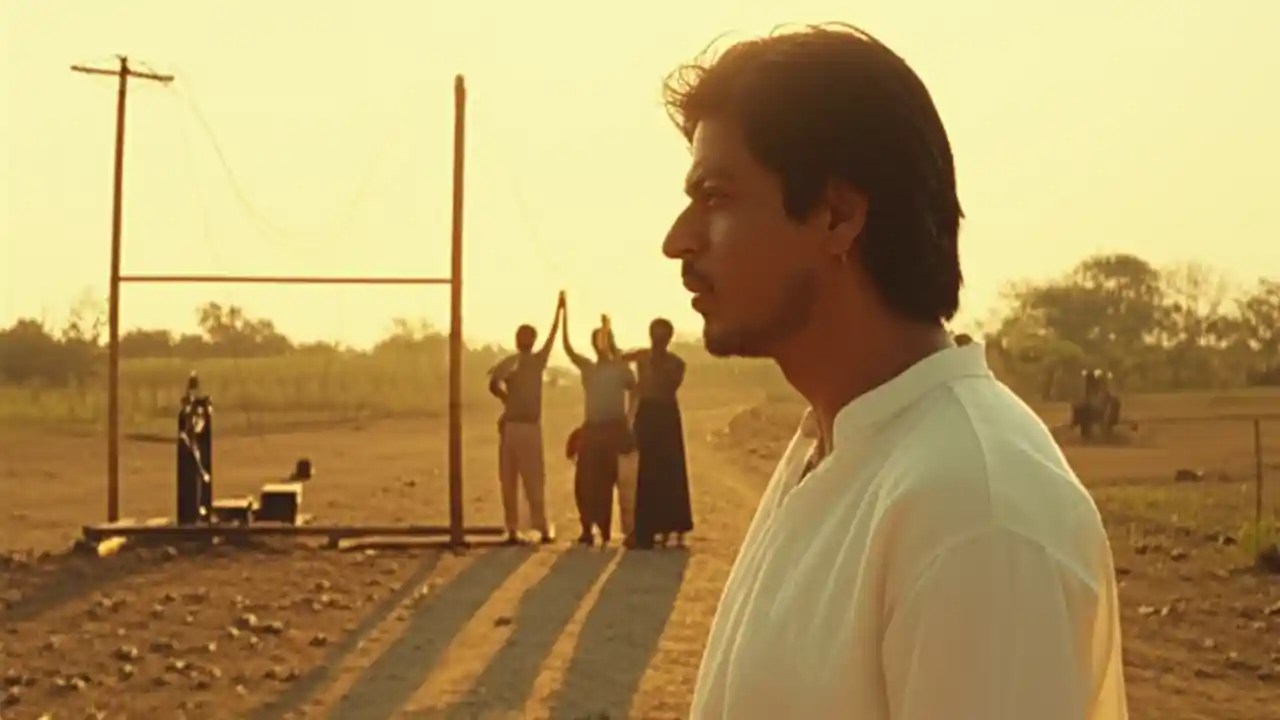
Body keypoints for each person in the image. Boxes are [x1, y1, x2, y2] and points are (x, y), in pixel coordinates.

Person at [660, 24, 1128, 720]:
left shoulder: (974, 509)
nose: (678, 240)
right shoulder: (838, 445)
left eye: (717, 196)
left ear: (838, 216)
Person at [487, 292, 564, 545]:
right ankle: (518, 528)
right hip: (519, 426)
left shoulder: (529, 362)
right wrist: (507, 400)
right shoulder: (518, 362)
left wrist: (559, 312)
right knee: (515, 478)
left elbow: (494, 383)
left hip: (523, 426)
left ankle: (534, 528)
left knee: (526, 479)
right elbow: (493, 383)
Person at [562, 300, 637, 547]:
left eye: (605, 340)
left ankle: (603, 530)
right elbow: (568, 348)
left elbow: (635, 387)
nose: (601, 344)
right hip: (593, 429)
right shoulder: (588, 368)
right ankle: (587, 528)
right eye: (598, 340)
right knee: (584, 482)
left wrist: (629, 418)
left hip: (611, 428)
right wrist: (563, 313)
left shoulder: (619, 368)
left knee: (605, 482)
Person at [621, 318, 693, 549]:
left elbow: (667, 385)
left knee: (670, 470)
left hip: (665, 415)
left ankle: (671, 527)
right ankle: (648, 529)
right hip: (649, 415)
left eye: (662, 335)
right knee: (648, 472)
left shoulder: (675, 363)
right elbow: (617, 357)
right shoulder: (643, 357)